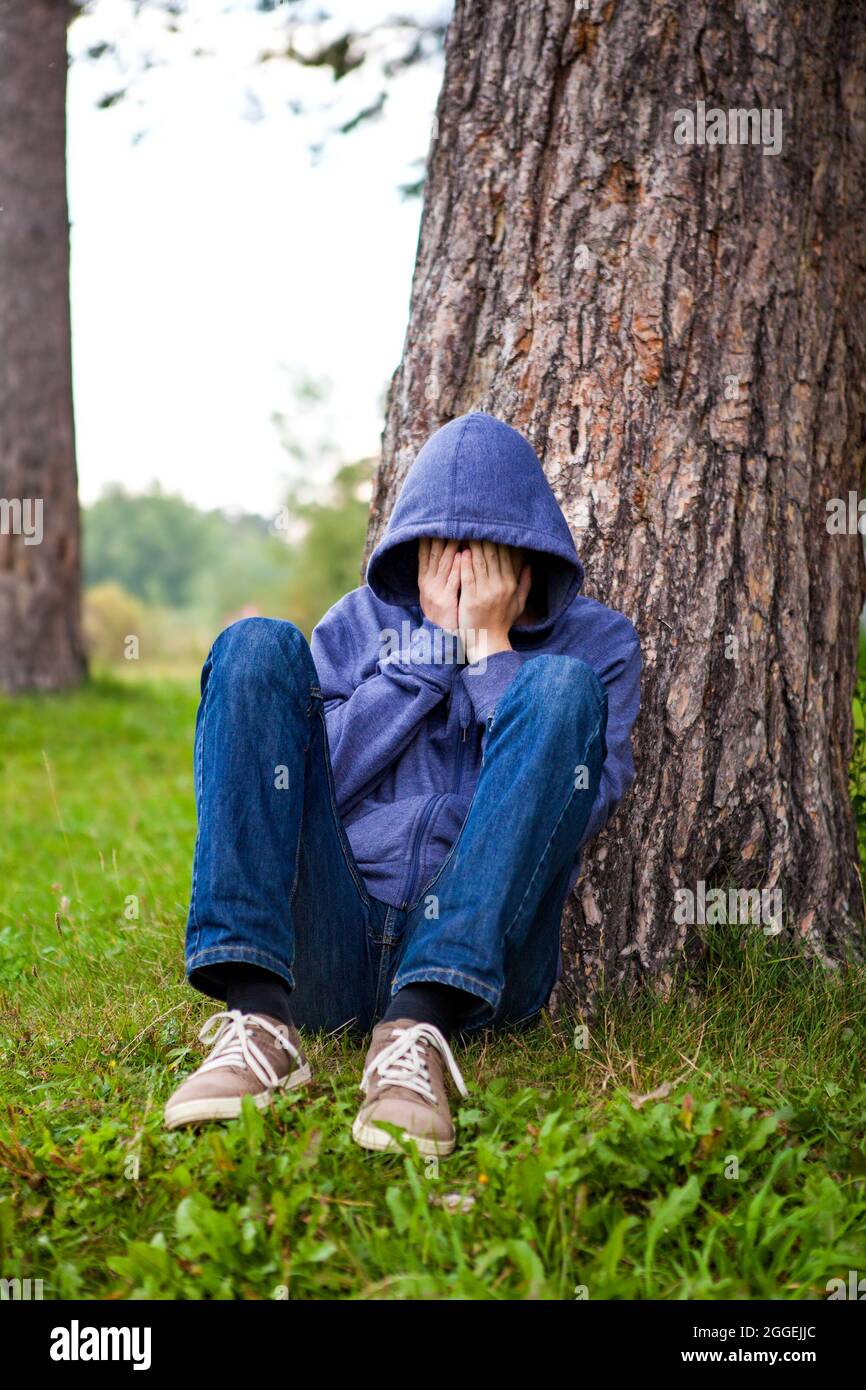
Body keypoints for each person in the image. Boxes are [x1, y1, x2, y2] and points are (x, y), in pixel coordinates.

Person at [164, 412, 641, 1157]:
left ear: (530, 560)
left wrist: (489, 655)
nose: (461, 573)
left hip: (484, 961)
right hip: (328, 942)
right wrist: (424, 660)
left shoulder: (599, 645)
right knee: (254, 646)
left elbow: (575, 810)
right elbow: (311, 785)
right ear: (411, 549)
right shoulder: (358, 622)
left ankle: (419, 1029)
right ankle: (257, 1019)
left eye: (485, 553)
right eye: (441, 549)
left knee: (557, 688)